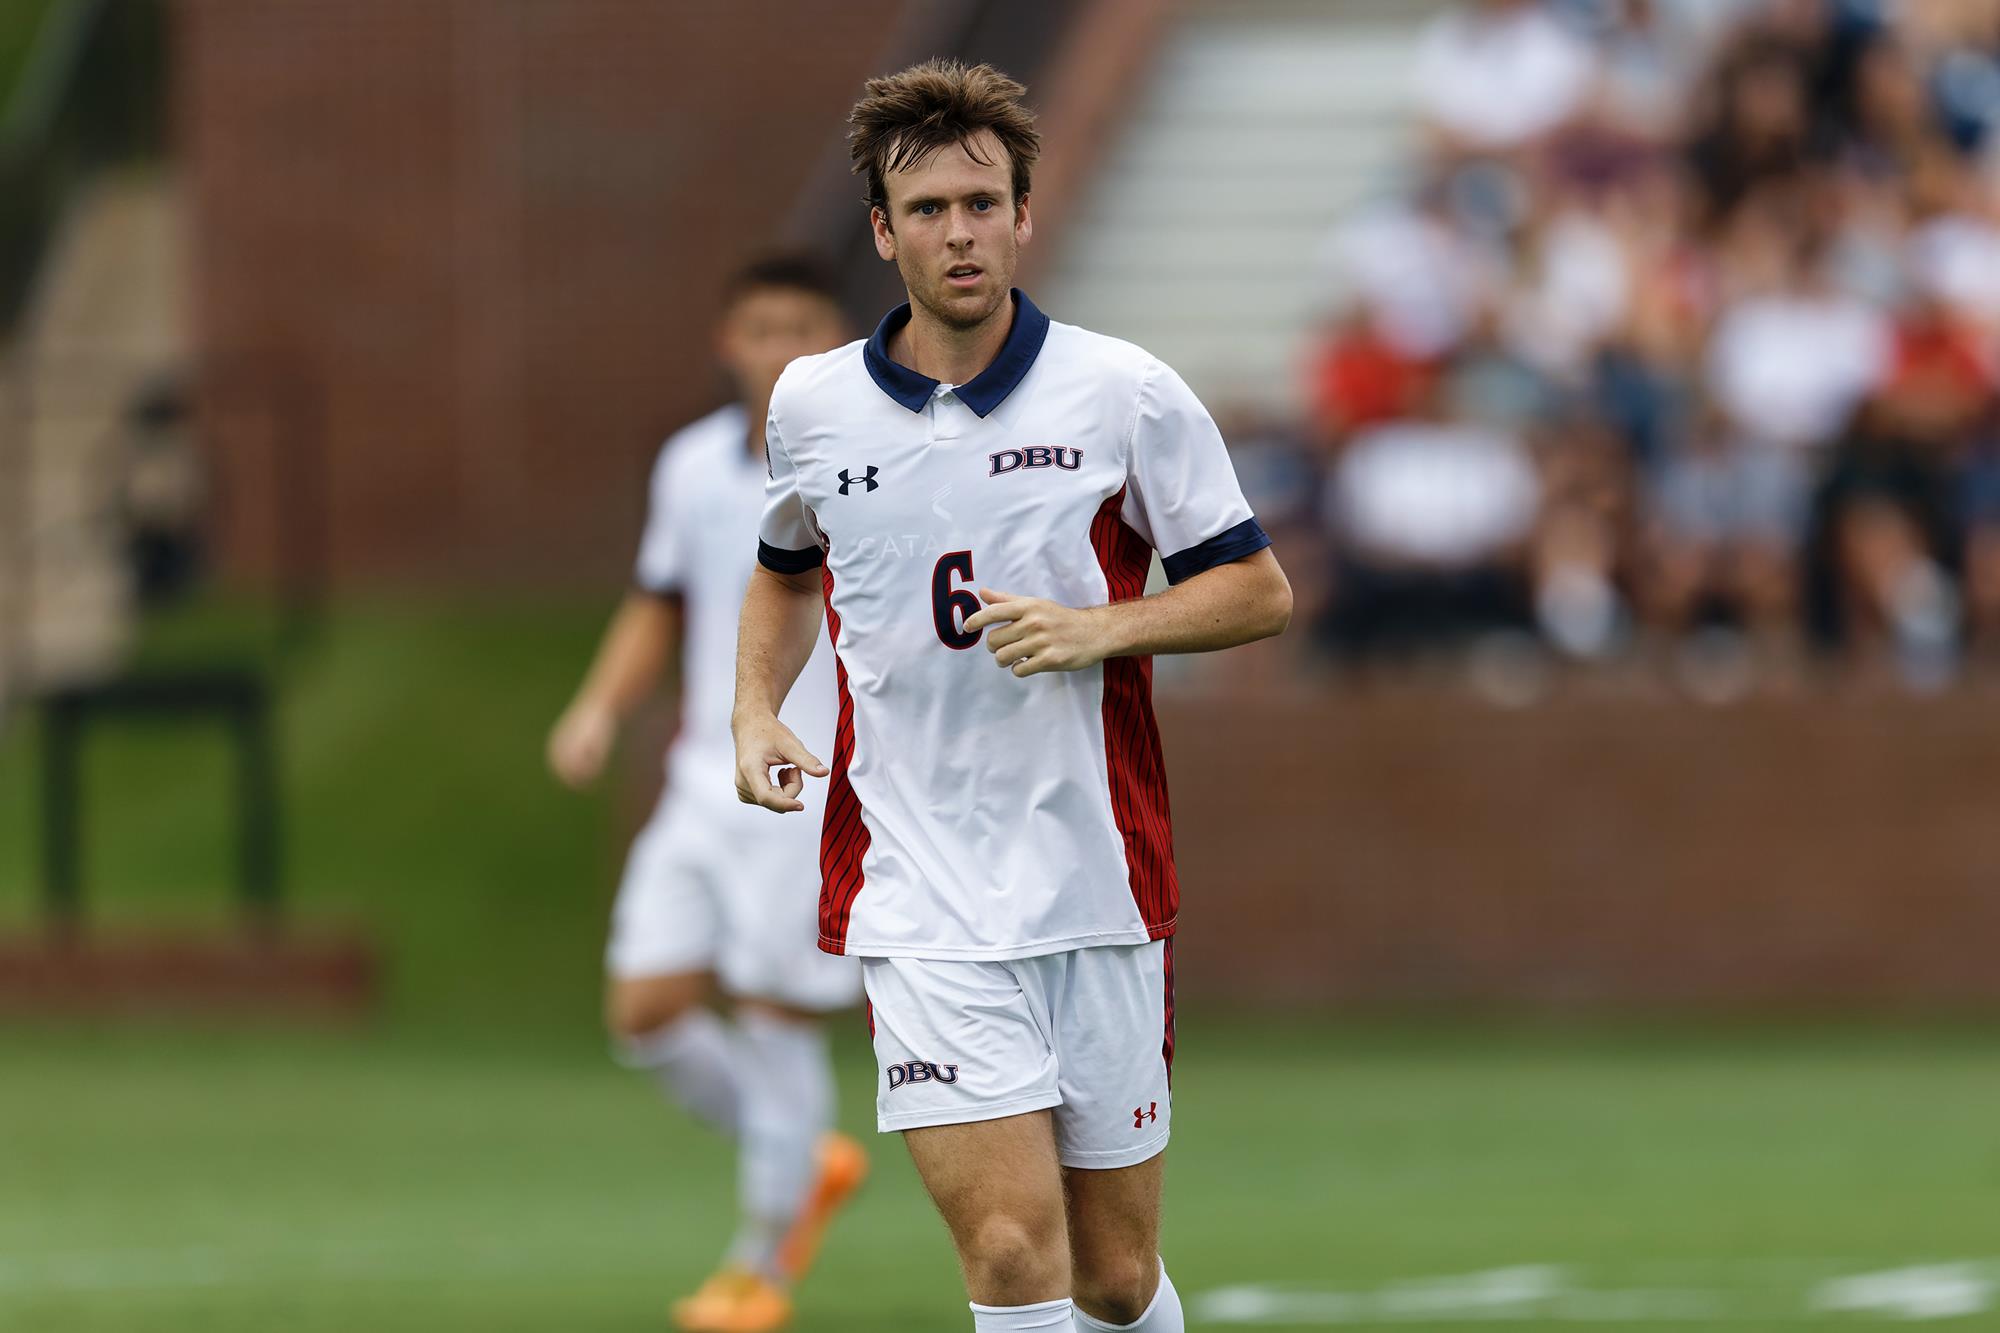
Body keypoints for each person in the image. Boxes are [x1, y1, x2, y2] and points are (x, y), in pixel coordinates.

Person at [730, 61, 1292, 1333]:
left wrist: (1101, 627)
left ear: (1022, 214)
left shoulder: (1123, 392)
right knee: (1003, 1247)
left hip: (1095, 879)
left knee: (1113, 1276)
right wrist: (755, 710)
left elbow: (1255, 592)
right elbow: (781, 571)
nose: (958, 231)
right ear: (881, 232)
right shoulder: (812, 405)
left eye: (981, 202)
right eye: (926, 209)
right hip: (913, 889)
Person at [547, 256, 865, 1333]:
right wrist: (596, 708)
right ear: (728, 343)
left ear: (833, 339)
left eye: (800, 325)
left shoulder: (863, 456)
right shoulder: (688, 466)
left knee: (774, 1015)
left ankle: (759, 1265)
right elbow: (657, 601)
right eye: (760, 326)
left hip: (807, 777)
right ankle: (799, 1154)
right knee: (645, 1009)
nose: (779, 346)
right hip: (702, 777)